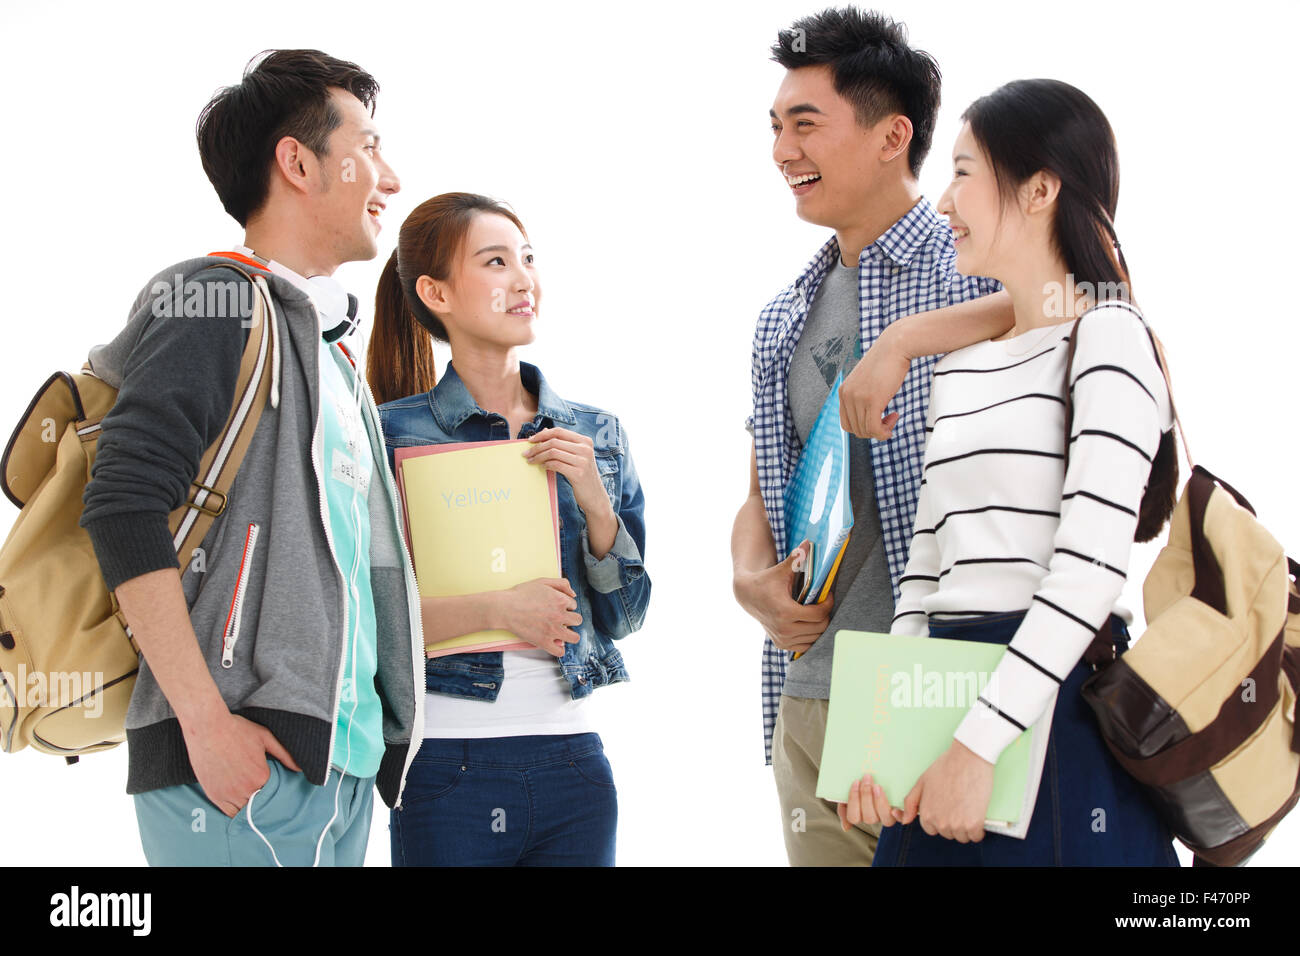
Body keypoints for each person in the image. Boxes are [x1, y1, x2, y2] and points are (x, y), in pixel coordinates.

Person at [81, 49, 426, 866]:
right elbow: (123, 504)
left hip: (334, 766)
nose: (392, 176)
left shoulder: (332, 352)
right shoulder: (215, 299)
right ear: (299, 162)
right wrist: (205, 724)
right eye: (370, 146)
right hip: (239, 766)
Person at [837, 78, 1181, 866]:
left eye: (961, 172)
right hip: (942, 694)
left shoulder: (1112, 339)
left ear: (1040, 188)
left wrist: (978, 745)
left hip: (1049, 703)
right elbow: (925, 568)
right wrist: (885, 740)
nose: (943, 201)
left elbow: (1089, 572)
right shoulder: (961, 365)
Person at [730, 6, 1017, 866]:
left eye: (806, 125)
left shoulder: (977, 264)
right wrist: (749, 581)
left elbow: (1090, 301)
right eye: (776, 127)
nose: (783, 151)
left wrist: (902, 342)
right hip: (810, 700)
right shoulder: (782, 316)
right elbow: (757, 492)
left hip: (945, 693)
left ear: (894, 135)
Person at [368, 192, 650, 867]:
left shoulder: (597, 434)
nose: (524, 279)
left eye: (527, 258)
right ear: (435, 292)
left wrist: (596, 503)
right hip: (445, 767)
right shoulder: (386, 436)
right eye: (496, 262)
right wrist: (497, 609)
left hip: (575, 764)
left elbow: (627, 614)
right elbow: (366, 626)